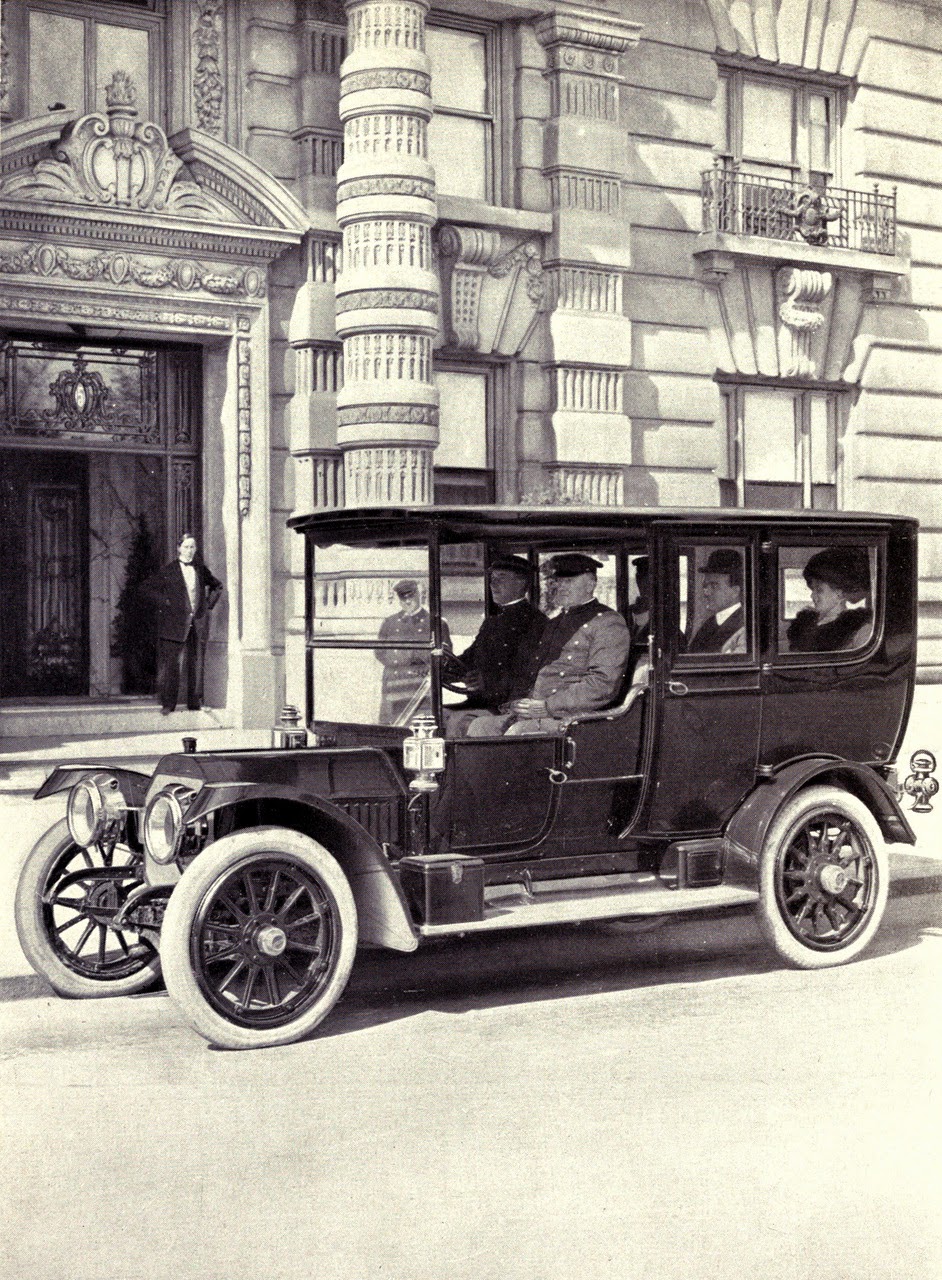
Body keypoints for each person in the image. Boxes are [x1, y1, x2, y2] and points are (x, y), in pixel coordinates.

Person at [465, 553, 631, 736]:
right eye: (558, 582)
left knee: (517, 733)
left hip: (573, 719)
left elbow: (602, 684)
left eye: (569, 581)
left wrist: (548, 706)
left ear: (590, 584)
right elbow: (532, 671)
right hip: (536, 712)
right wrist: (514, 703)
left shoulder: (608, 623)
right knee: (479, 726)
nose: (561, 587)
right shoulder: (555, 623)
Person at [444, 554, 545, 714]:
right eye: (492, 578)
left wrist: (486, 681)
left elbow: (528, 673)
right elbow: (468, 659)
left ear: (521, 583)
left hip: (507, 707)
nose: (493, 584)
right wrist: (442, 668)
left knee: (453, 721)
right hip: (481, 701)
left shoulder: (535, 622)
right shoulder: (492, 623)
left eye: (501, 578)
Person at [141, 533, 223, 715]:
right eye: (186, 547)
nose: (190, 551)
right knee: (172, 665)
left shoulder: (201, 569)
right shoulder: (168, 570)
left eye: (193, 547)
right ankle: (168, 704)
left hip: (196, 623)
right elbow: (147, 588)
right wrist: (166, 603)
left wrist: (207, 606)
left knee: (195, 663)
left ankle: (194, 703)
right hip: (174, 625)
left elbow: (218, 586)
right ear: (179, 548)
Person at [374, 579, 450, 725]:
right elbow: (380, 652)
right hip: (393, 685)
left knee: (420, 727)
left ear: (421, 596)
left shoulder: (436, 623)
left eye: (411, 597)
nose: (407, 602)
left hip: (420, 688)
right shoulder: (390, 623)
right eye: (403, 598)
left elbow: (444, 656)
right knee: (390, 729)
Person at [787, 547, 872, 652]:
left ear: (839, 593)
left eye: (819, 590)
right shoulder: (806, 624)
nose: (812, 596)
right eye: (813, 589)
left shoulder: (860, 630)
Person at [685, 549, 746, 654]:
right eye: (705, 586)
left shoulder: (745, 627)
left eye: (714, 586)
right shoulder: (708, 624)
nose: (706, 592)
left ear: (735, 591)